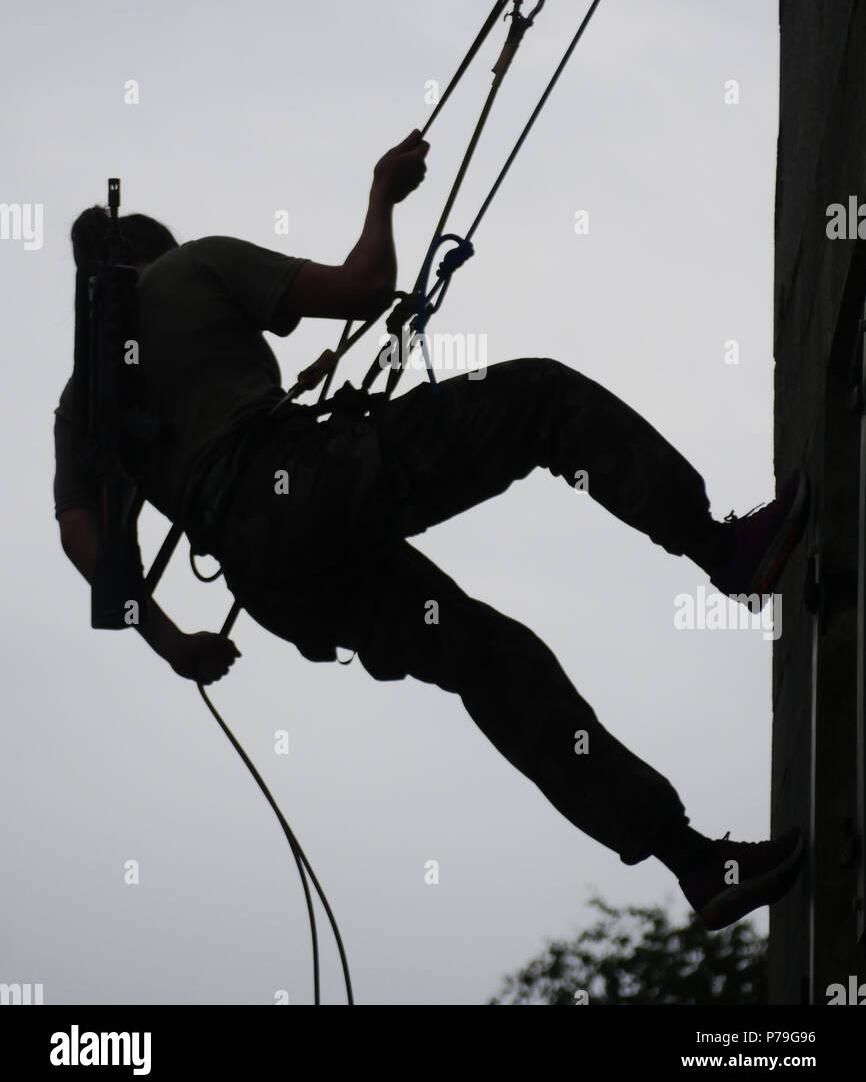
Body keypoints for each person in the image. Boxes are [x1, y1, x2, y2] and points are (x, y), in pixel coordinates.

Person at [54, 129, 808, 931]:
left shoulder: (84, 404)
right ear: (152, 249)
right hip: (315, 482)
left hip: (277, 584)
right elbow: (363, 287)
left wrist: (175, 645)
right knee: (540, 401)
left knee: (489, 662)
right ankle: (726, 552)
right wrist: (382, 195)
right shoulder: (192, 265)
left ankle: (694, 863)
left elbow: (85, 544)